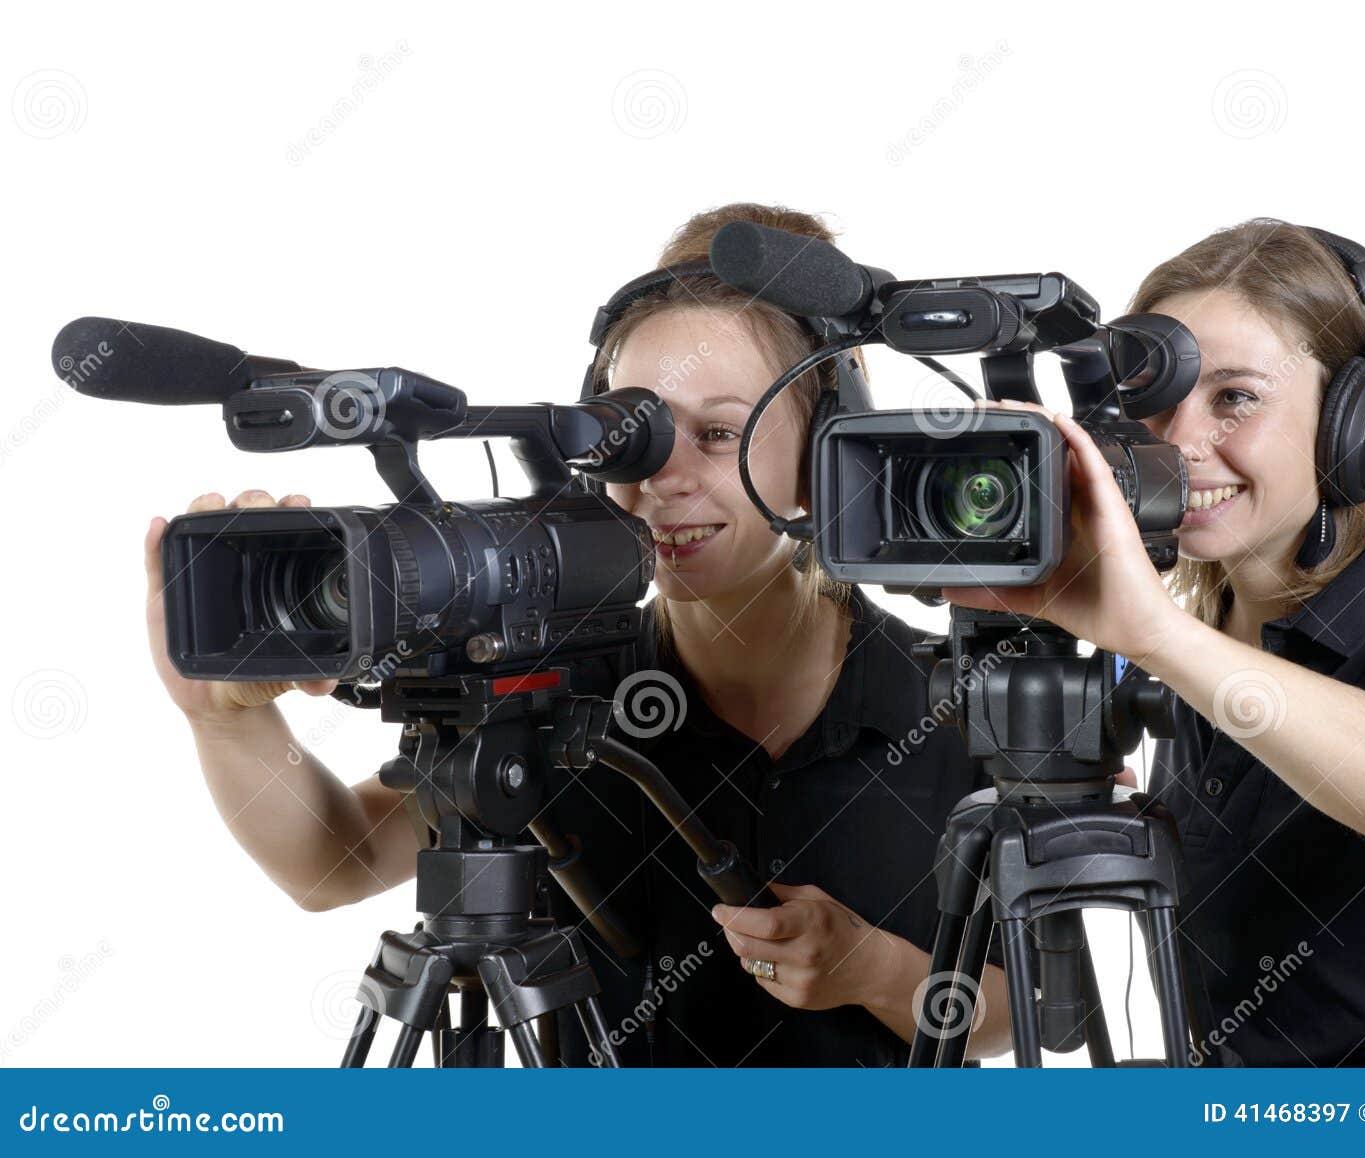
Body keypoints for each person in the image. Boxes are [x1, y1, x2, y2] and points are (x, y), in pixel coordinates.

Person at [143, 202, 1010, 1067]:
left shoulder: (961, 697)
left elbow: (1046, 1013)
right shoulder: (549, 680)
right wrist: (226, 722)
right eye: (634, 437)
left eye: (716, 435)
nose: (665, 479)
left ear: (831, 451)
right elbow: (335, 860)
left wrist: (876, 971)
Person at [945, 219, 1365, 1066]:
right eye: (1154, 399)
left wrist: (1157, 637)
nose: (1180, 442)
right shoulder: (1201, 640)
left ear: (1353, 419)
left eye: (1235, 398)